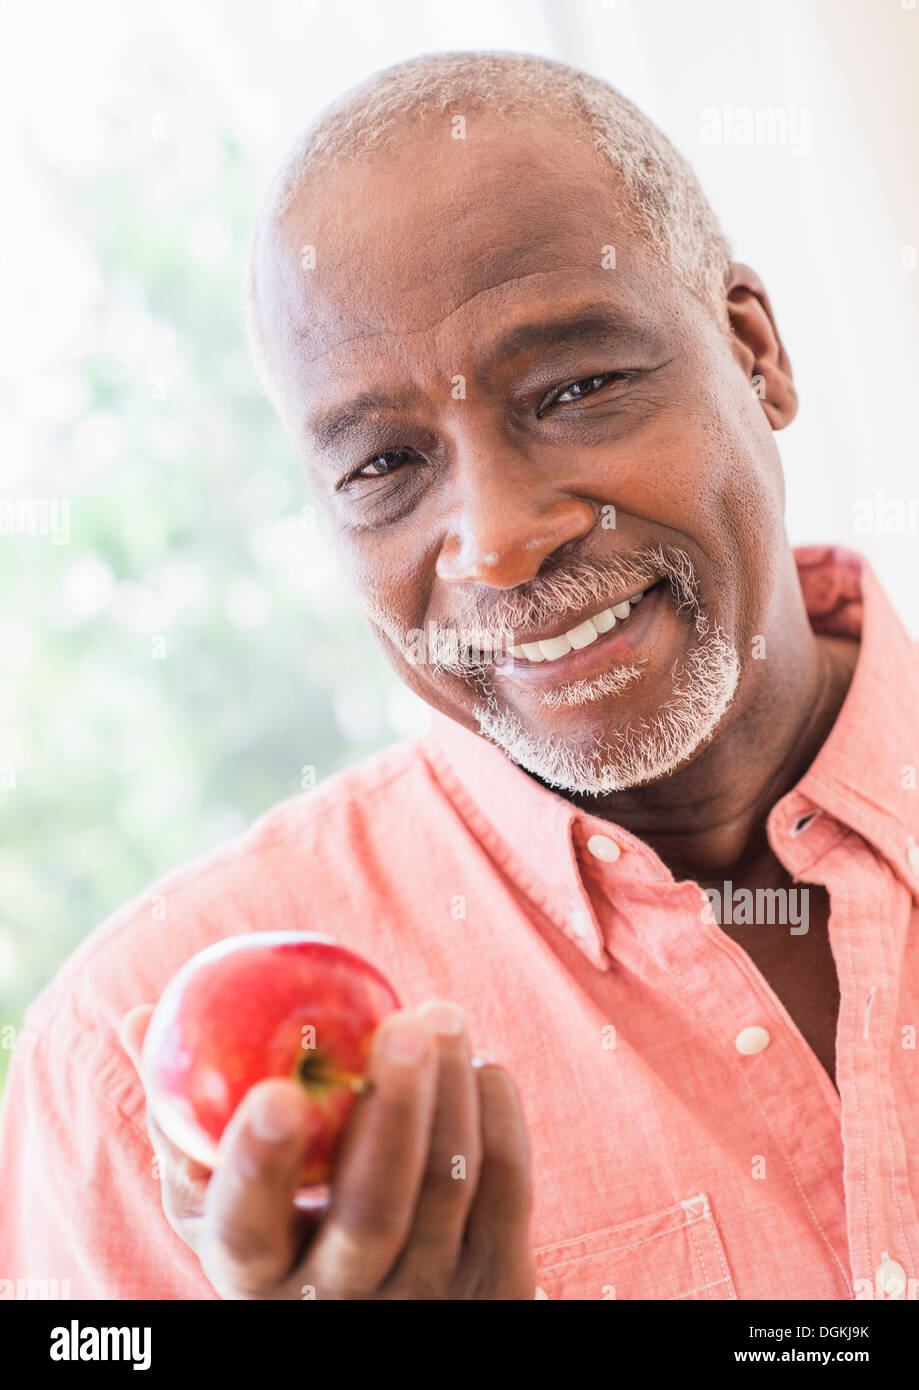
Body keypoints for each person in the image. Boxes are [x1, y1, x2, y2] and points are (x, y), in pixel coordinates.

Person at [2, 50, 917, 1302]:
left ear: (752, 348)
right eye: (383, 466)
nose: (496, 536)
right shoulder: (121, 1063)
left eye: (577, 387)